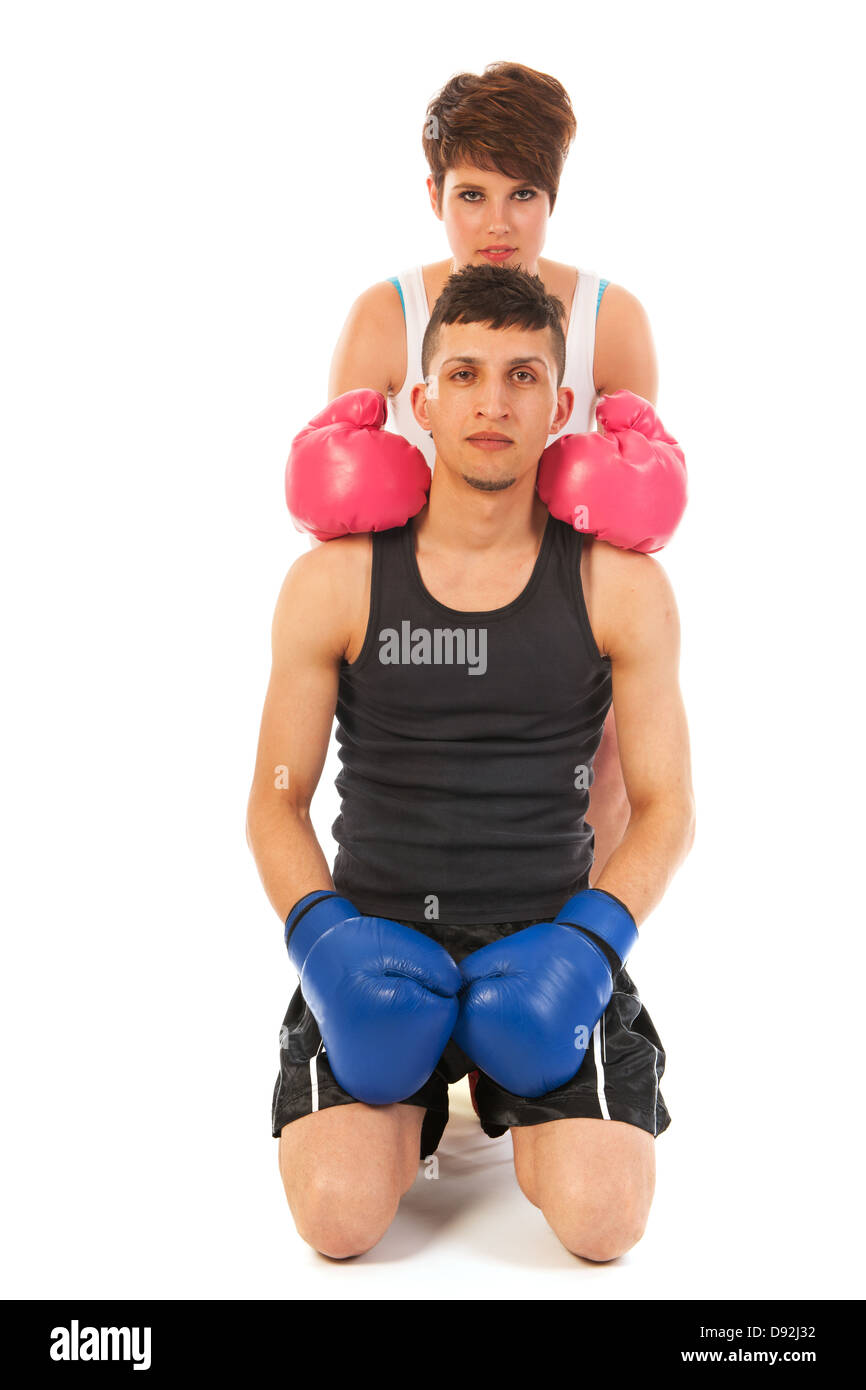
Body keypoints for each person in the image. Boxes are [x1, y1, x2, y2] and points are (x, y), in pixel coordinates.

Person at [247, 264, 695, 1261]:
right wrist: (323, 942)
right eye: (463, 374)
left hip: (547, 947)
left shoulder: (619, 586)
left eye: (522, 375)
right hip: (374, 940)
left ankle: (502, 1078)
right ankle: (411, 1096)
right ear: (421, 400)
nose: (491, 401)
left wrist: (586, 945)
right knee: (336, 1215)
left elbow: (666, 806)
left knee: (602, 1220)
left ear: (561, 401)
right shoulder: (336, 580)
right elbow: (275, 801)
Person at [289, 61, 685, 880]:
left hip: (554, 601)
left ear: (552, 200)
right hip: (425, 589)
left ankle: (580, 947)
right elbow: (336, 492)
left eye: (523, 195)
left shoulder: (612, 322)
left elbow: (634, 508)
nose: (497, 224)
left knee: (607, 739)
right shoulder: (383, 316)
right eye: (472, 195)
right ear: (434, 196)